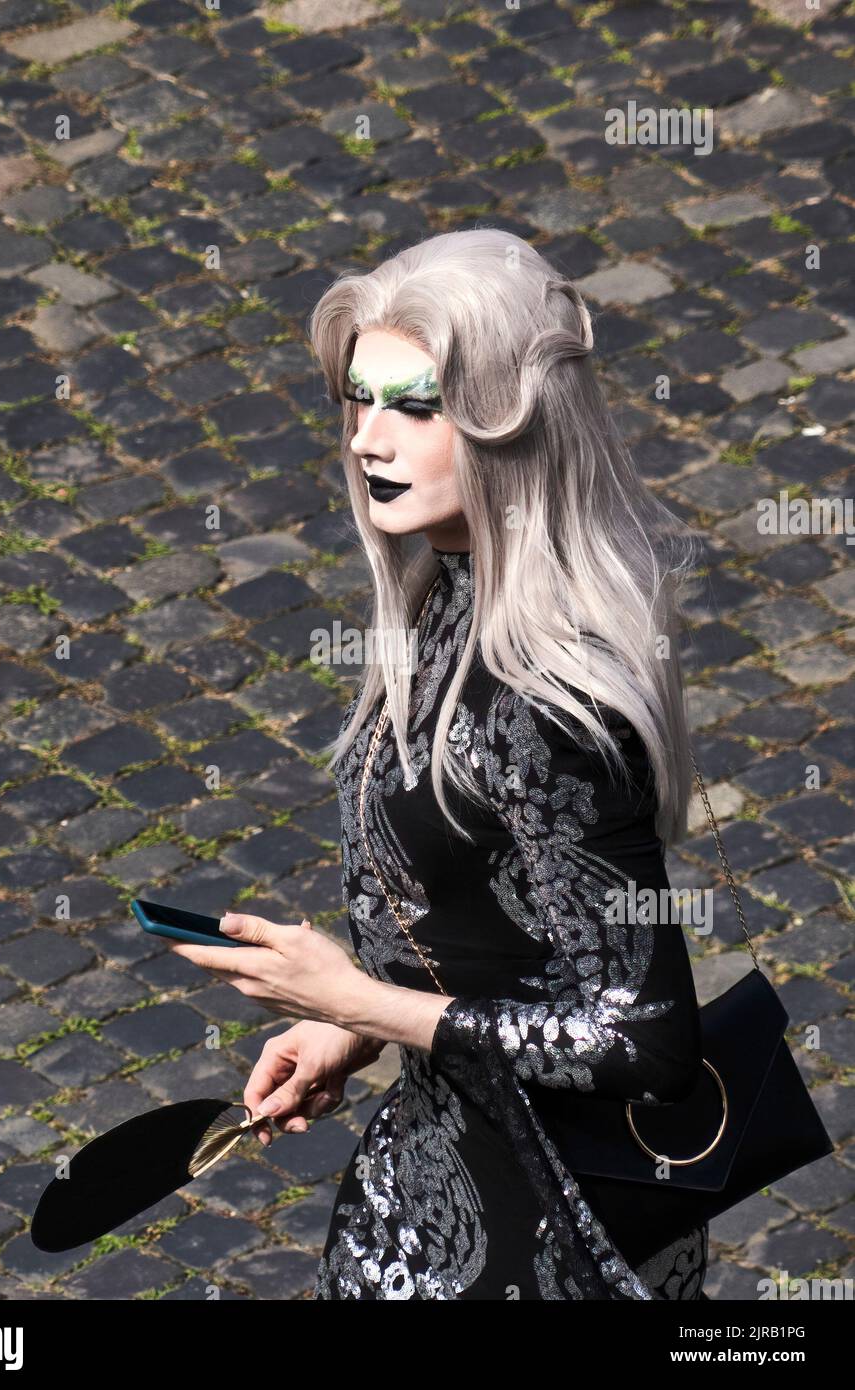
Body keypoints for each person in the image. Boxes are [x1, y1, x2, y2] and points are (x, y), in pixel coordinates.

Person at [171, 228, 709, 1300]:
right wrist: (342, 1029)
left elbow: (643, 1038)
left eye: (415, 406)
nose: (369, 438)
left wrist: (364, 1003)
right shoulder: (442, 594)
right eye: (358, 400)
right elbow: (499, 942)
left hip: (551, 1235)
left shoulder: (555, 701)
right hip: (436, 1177)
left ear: (511, 425)